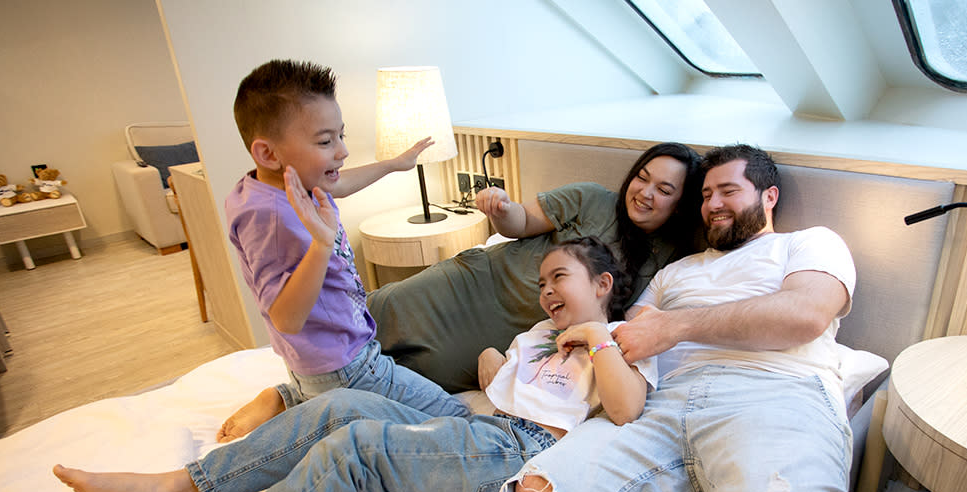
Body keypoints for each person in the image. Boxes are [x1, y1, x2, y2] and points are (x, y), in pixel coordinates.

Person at [53, 237, 659, 492]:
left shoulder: (620, 339)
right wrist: (496, 359)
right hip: (481, 429)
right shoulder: (535, 335)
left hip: (517, 459)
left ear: (603, 283)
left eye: (559, 278)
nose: (546, 291)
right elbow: (494, 383)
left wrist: (597, 338)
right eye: (541, 282)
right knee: (338, 405)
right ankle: (179, 489)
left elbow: (628, 408)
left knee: (357, 449)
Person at [481, 145, 876, 492]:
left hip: (770, 397)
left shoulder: (808, 243)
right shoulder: (674, 274)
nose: (713, 205)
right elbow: (628, 339)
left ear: (769, 196)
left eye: (728, 191)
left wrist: (676, 326)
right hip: (658, 405)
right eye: (706, 195)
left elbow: (804, 314)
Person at [218, 141, 703, 441]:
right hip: (467, 283)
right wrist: (501, 208)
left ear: (680, 204)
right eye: (643, 177)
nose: (646, 192)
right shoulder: (592, 198)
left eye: (665, 189)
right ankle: (287, 393)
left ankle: (289, 403)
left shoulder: (666, 265)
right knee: (354, 329)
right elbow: (520, 224)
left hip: (498, 333)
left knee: (395, 382)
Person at [212, 59, 472, 442]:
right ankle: (305, 406)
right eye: (325, 141)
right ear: (268, 153)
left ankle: (291, 397)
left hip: (326, 359)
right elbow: (285, 318)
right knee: (457, 418)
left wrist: (395, 165)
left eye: (340, 135)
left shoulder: (281, 183)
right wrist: (321, 244)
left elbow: (341, 184)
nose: (343, 151)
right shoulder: (269, 217)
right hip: (345, 366)